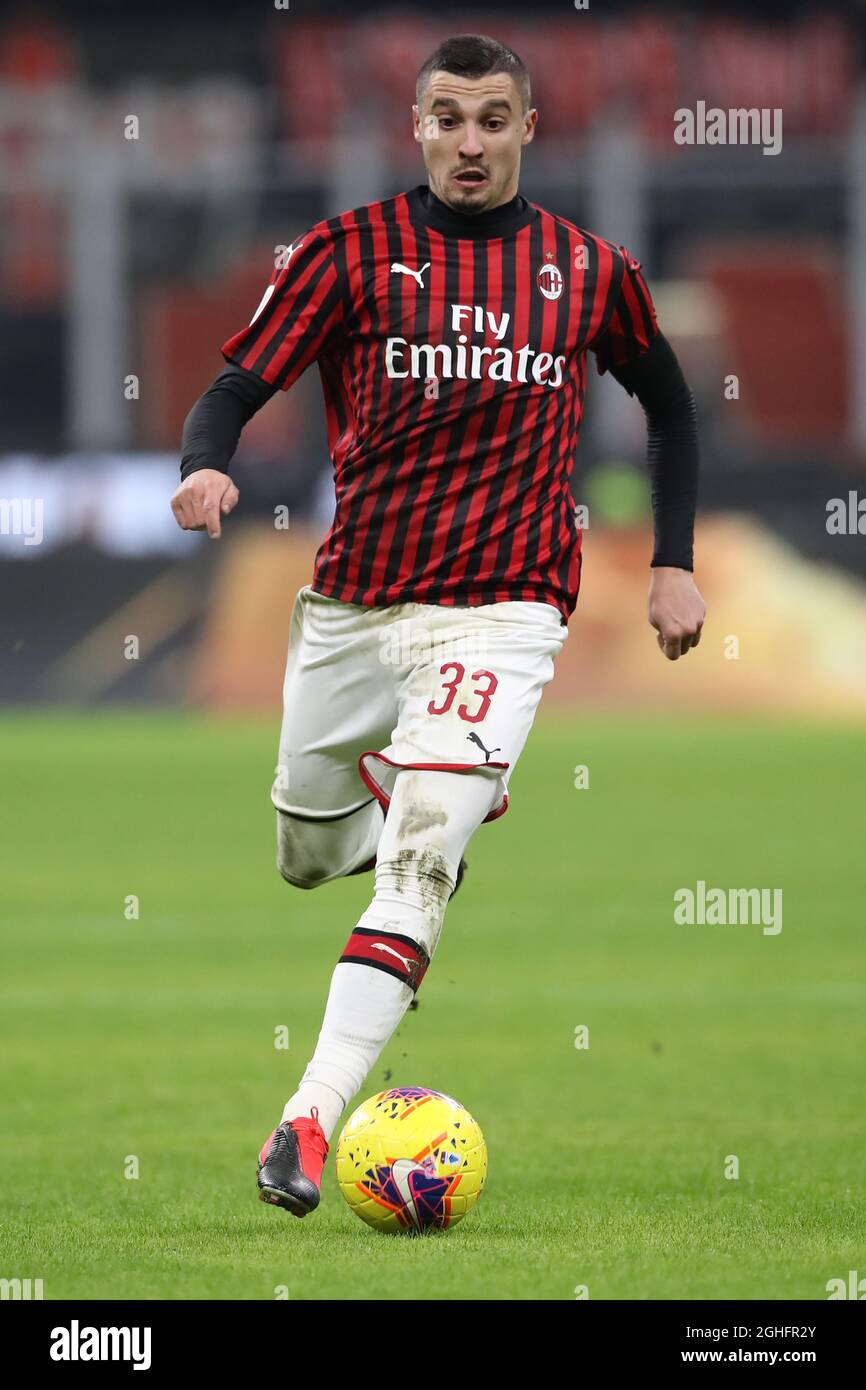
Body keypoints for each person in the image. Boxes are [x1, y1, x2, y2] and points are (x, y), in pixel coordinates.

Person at [171, 33, 705, 1218]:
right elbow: (233, 387)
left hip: (504, 615)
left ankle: (305, 1120)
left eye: (495, 119)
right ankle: (427, 782)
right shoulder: (347, 250)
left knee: (417, 864)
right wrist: (205, 468)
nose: (471, 142)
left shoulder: (585, 267)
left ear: (529, 130)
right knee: (308, 857)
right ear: (415, 126)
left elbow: (670, 405)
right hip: (356, 609)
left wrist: (669, 562)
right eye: (449, 119)